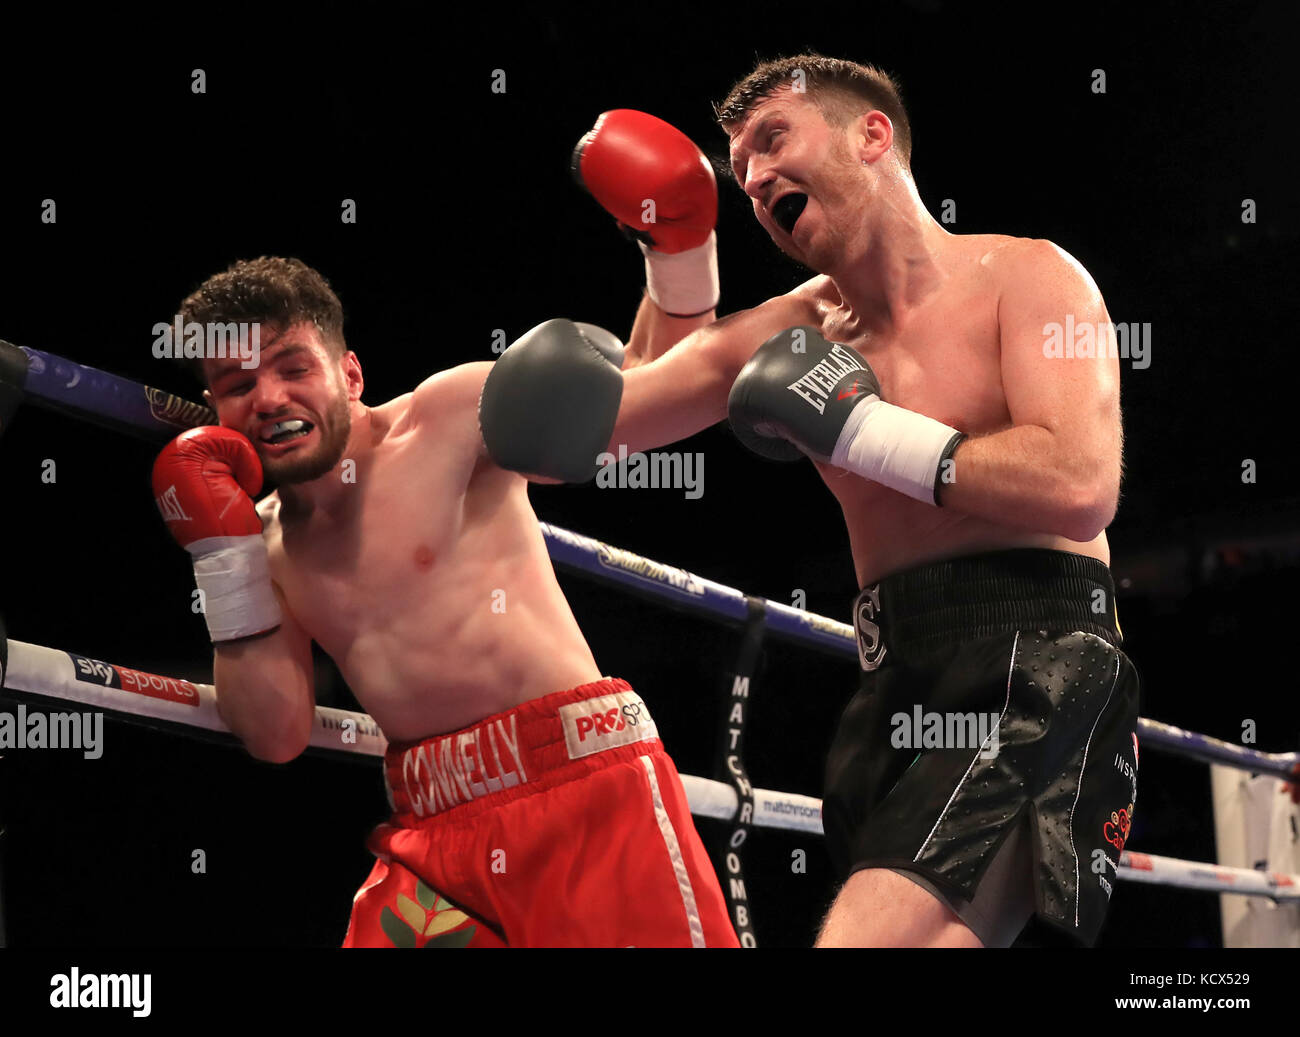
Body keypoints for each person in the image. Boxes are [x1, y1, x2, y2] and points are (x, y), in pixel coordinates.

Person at [574, 54, 1141, 947]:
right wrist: (678, 249)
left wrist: (862, 431)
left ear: (871, 134)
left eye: (772, 141)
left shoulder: (1027, 277)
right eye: (739, 176)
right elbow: (604, 423)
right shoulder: (786, 331)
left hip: (1036, 654)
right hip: (890, 675)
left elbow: (1078, 486)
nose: (755, 181)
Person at [151, 256, 738, 948]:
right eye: (239, 385)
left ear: (349, 374)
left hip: (582, 788)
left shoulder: (448, 414)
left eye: (292, 367)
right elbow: (274, 733)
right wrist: (223, 560)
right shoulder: (261, 547)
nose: (270, 397)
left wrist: (680, 252)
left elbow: (646, 389)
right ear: (216, 411)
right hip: (430, 831)